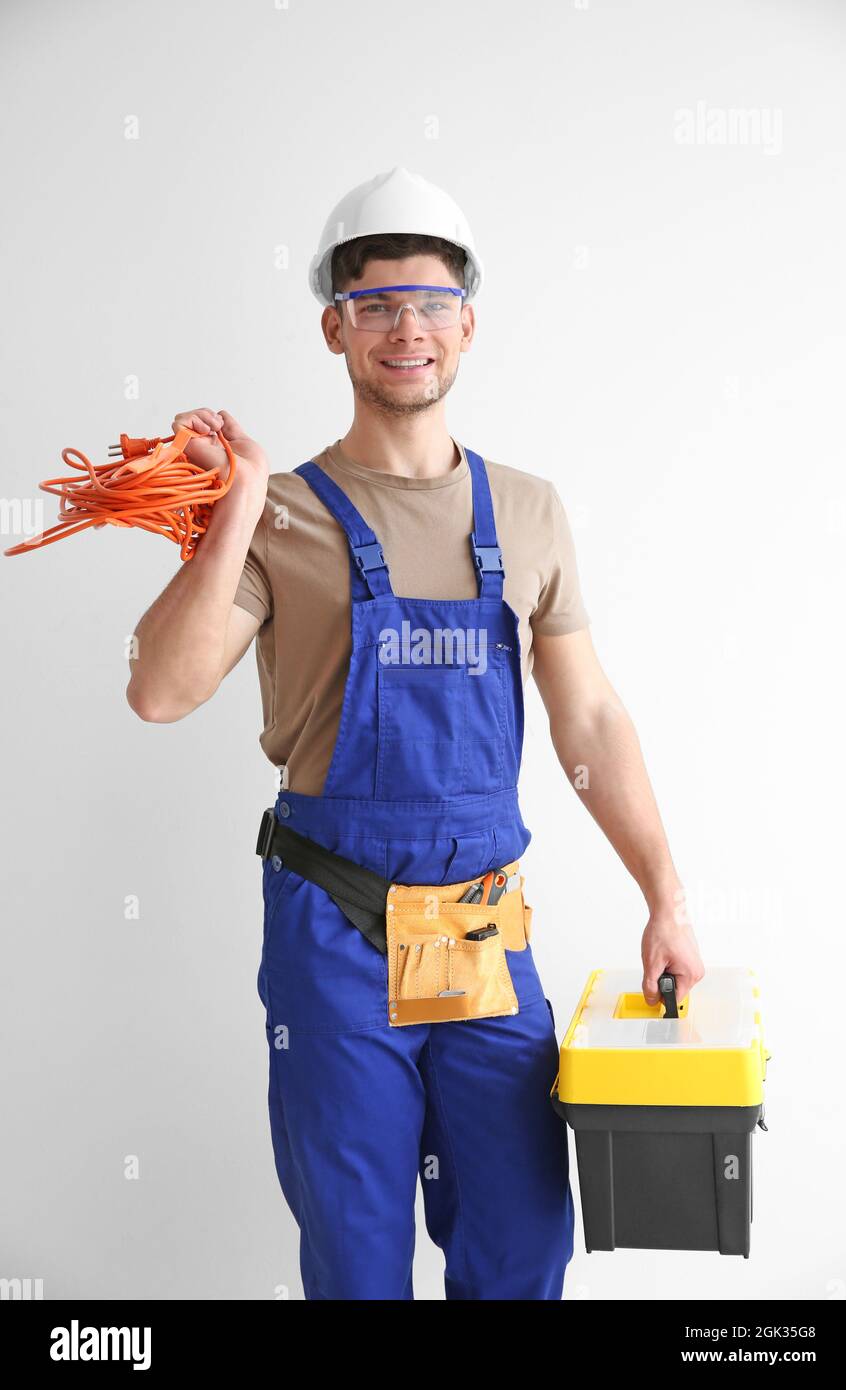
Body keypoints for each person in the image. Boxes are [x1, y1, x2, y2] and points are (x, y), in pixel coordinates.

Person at [126, 166, 704, 1300]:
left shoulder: (527, 509)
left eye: (432, 303)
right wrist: (235, 504)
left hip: (481, 931)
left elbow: (587, 714)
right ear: (334, 327)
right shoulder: (281, 510)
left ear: (468, 324)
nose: (408, 329)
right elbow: (160, 690)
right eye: (379, 304)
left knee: (523, 1239)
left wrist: (664, 896)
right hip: (333, 926)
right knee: (355, 1255)